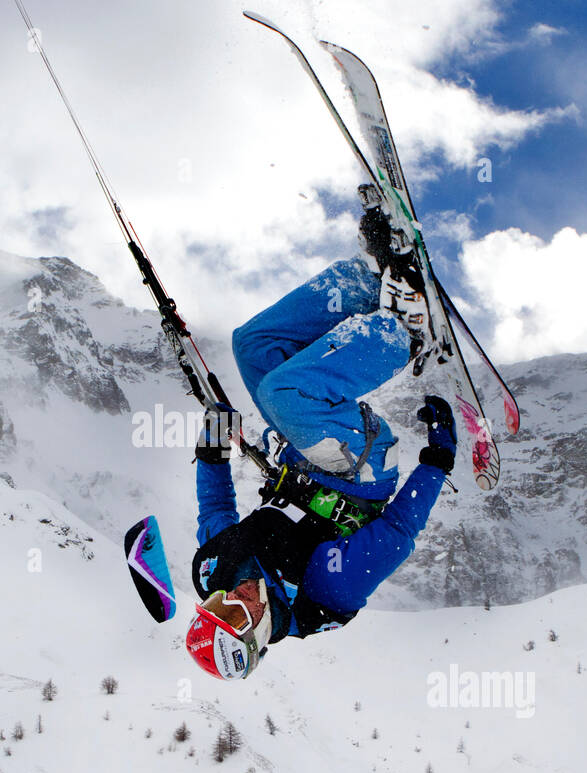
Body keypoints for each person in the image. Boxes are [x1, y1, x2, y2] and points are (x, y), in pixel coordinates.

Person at [185, 208, 456, 681]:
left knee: (253, 347)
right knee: (284, 394)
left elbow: (215, 508)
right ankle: (408, 333)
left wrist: (213, 442)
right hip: (361, 472)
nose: (236, 597)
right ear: (260, 634)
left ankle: (371, 280)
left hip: (301, 458)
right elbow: (395, 533)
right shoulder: (325, 591)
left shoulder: (219, 568)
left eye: (218, 604)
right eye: (239, 616)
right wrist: (436, 462)